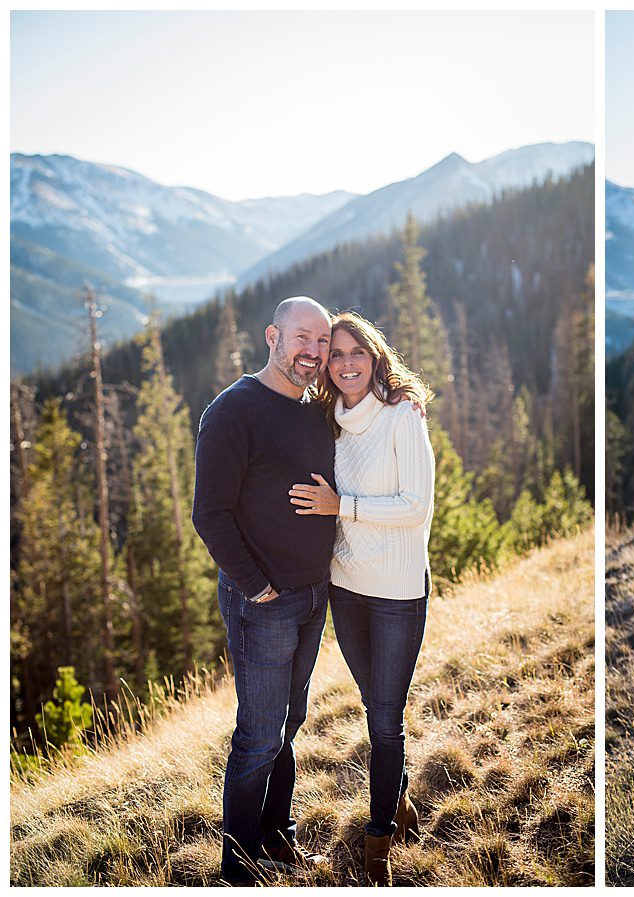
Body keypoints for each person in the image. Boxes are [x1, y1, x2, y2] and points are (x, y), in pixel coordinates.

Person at [287, 311, 435, 886]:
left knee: (383, 717)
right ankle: (398, 802)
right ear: (327, 365)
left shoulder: (402, 416)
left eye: (357, 353)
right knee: (377, 706)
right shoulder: (328, 419)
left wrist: (341, 507)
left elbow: (415, 507)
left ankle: (378, 843)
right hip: (346, 589)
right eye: (337, 355)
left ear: (375, 357)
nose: (347, 364)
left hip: (397, 592)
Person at [192, 296, 335, 884]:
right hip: (265, 602)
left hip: (312, 594)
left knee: (291, 721)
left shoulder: (314, 409)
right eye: (303, 337)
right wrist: (256, 588)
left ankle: (279, 837)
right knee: (258, 734)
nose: (313, 351)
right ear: (272, 336)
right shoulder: (233, 411)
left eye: (322, 342)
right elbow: (210, 514)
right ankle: (240, 863)